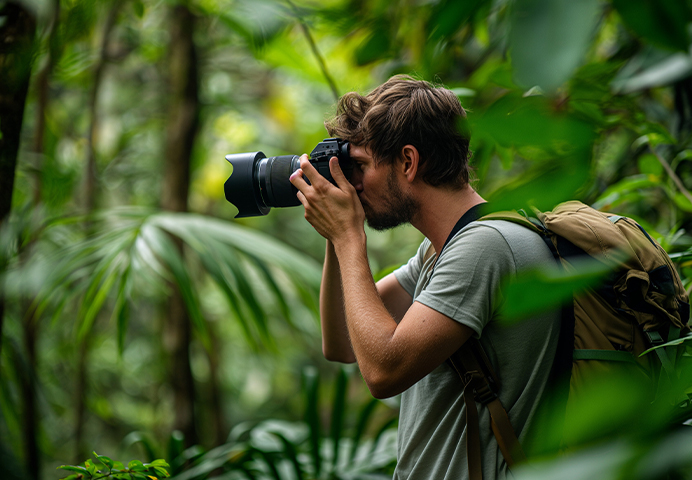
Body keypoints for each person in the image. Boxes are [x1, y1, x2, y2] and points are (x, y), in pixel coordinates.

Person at [289, 75, 560, 480]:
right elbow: (342, 343)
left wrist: (348, 236)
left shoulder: (485, 247)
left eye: (359, 167)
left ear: (408, 162)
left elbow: (383, 372)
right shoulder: (442, 250)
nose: (354, 184)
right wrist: (335, 227)